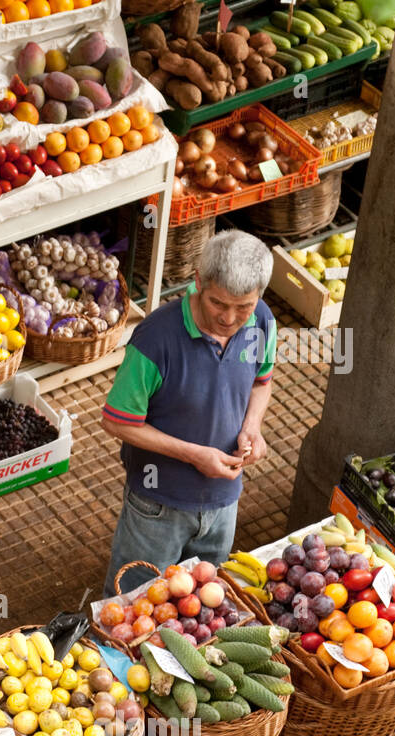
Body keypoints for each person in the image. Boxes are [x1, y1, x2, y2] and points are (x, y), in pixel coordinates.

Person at [100, 230, 277, 594]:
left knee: (202, 604)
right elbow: (117, 420)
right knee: (134, 602)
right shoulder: (154, 339)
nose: (230, 318)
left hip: (224, 500)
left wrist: (252, 428)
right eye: (218, 303)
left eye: (242, 306)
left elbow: (262, 381)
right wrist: (194, 455)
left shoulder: (261, 320)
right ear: (198, 281)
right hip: (157, 503)